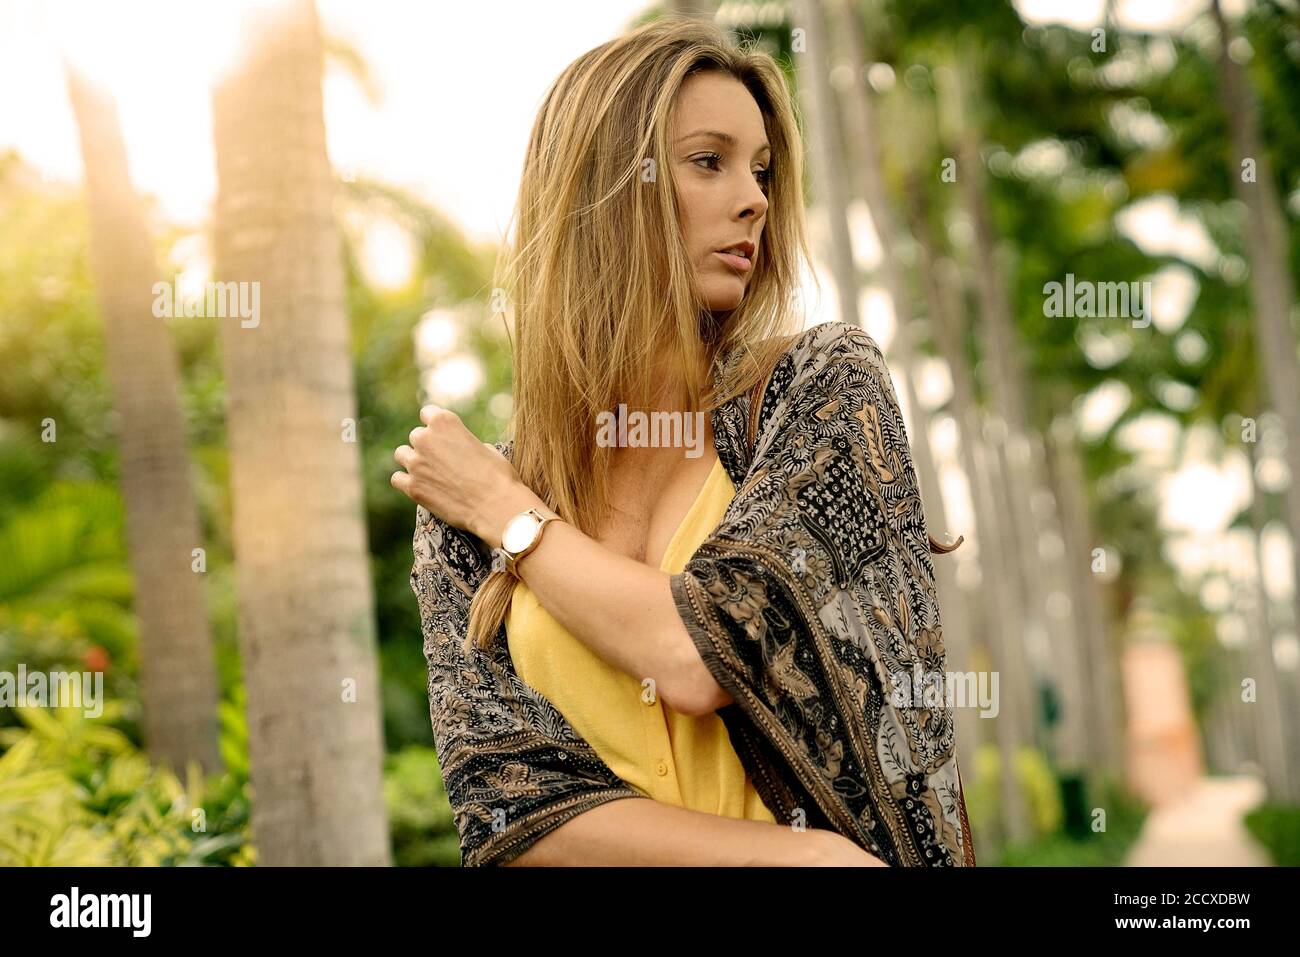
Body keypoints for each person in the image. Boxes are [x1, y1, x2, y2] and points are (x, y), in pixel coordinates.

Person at [392, 15, 974, 867]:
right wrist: (800, 861)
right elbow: (507, 815)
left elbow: (699, 655)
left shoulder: (816, 393)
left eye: (763, 169)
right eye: (710, 161)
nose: (755, 198)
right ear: (606, 186)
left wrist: (511, 519)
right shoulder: (464, 515)